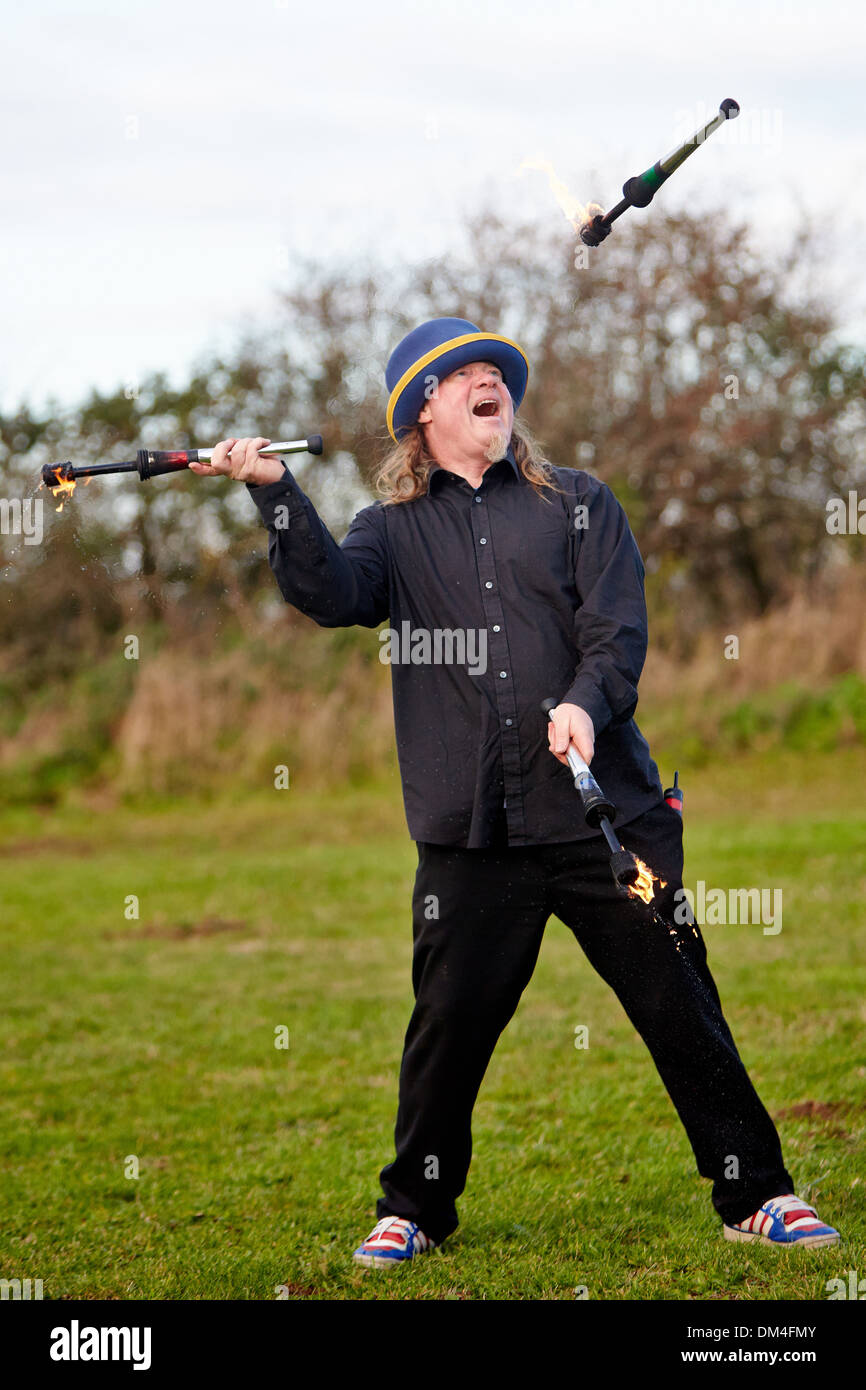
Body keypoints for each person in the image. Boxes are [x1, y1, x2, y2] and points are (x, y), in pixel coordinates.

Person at [191, 316, 840, 1265]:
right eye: (468, 374)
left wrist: (583, 701)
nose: (493, 381)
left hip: (602, 817)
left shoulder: (581, 505)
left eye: (500, 371)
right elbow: (332, 596)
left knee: (678, 997)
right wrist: (273, 490)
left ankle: (757, 1192)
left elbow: (616, 635)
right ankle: (413, 1207)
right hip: (471, 832)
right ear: (425, 405)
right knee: (448, 1024)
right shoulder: (390, 532)